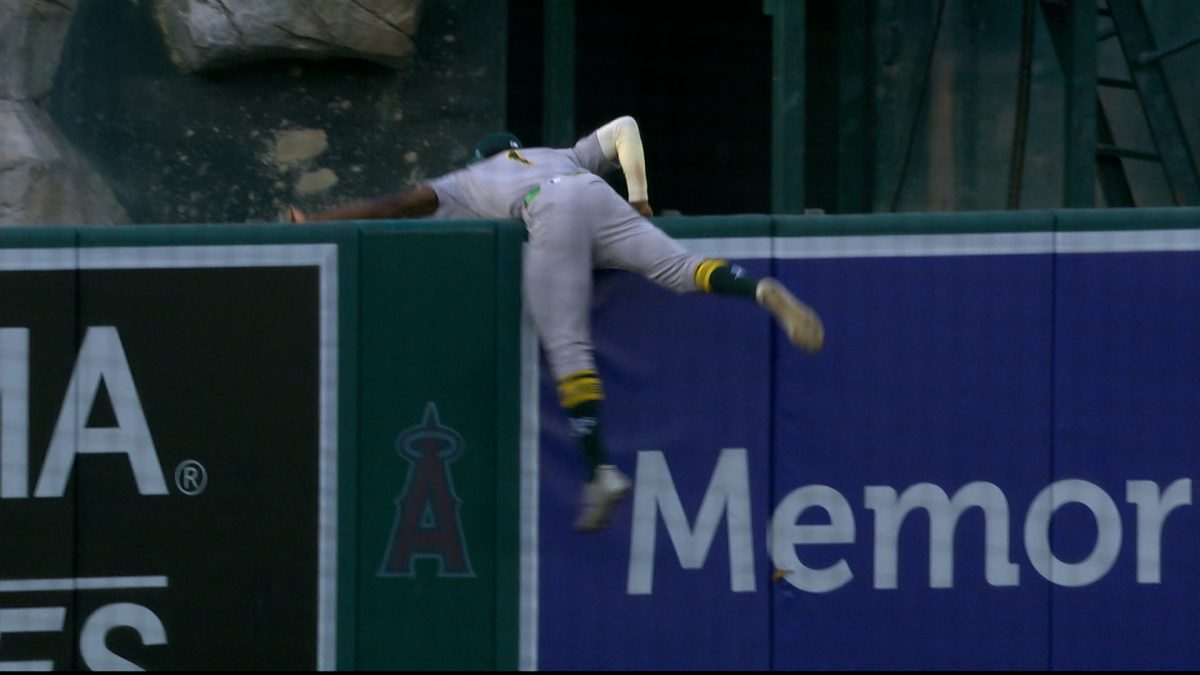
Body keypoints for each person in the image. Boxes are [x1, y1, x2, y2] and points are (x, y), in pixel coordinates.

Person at [286, 115, 824, 532]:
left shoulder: (468, 177)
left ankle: (600, 471)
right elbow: (625, 128)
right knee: (682, 268)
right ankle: (758, 289)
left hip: (548, 209)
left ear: (482, 157)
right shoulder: (556, 153)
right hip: (593, 192)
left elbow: (395, 204)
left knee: (567, 344)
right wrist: (639, 197)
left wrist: (316, 222)